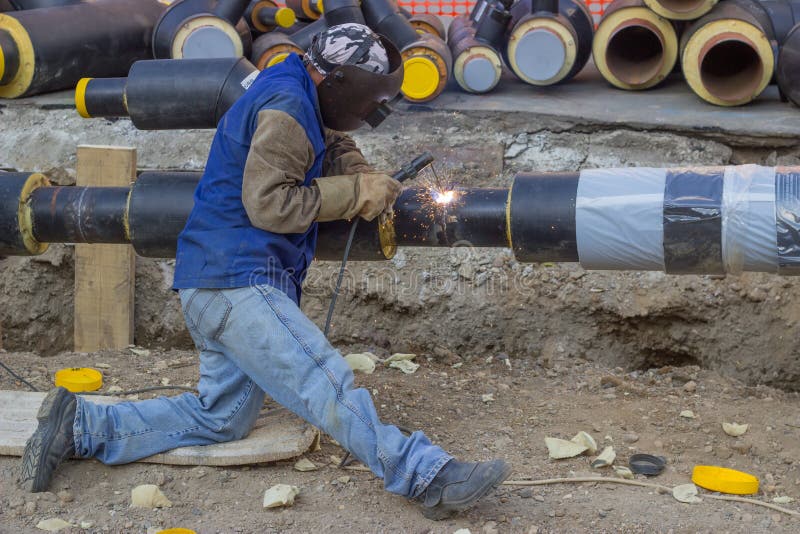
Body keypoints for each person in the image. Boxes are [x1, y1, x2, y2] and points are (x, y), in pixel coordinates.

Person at [19, 23, 510, 519]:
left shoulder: (298, 82)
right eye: (369, 104)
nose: (371, 116)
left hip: (212, 282)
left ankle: (79, 426)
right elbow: (269, 204)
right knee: (325, 380)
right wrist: (356, 194)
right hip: (238, 284)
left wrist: (358, 170)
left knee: (222, 418)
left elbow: (331, 137)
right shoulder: (288, 109)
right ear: (337, 81)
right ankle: (424, 475)